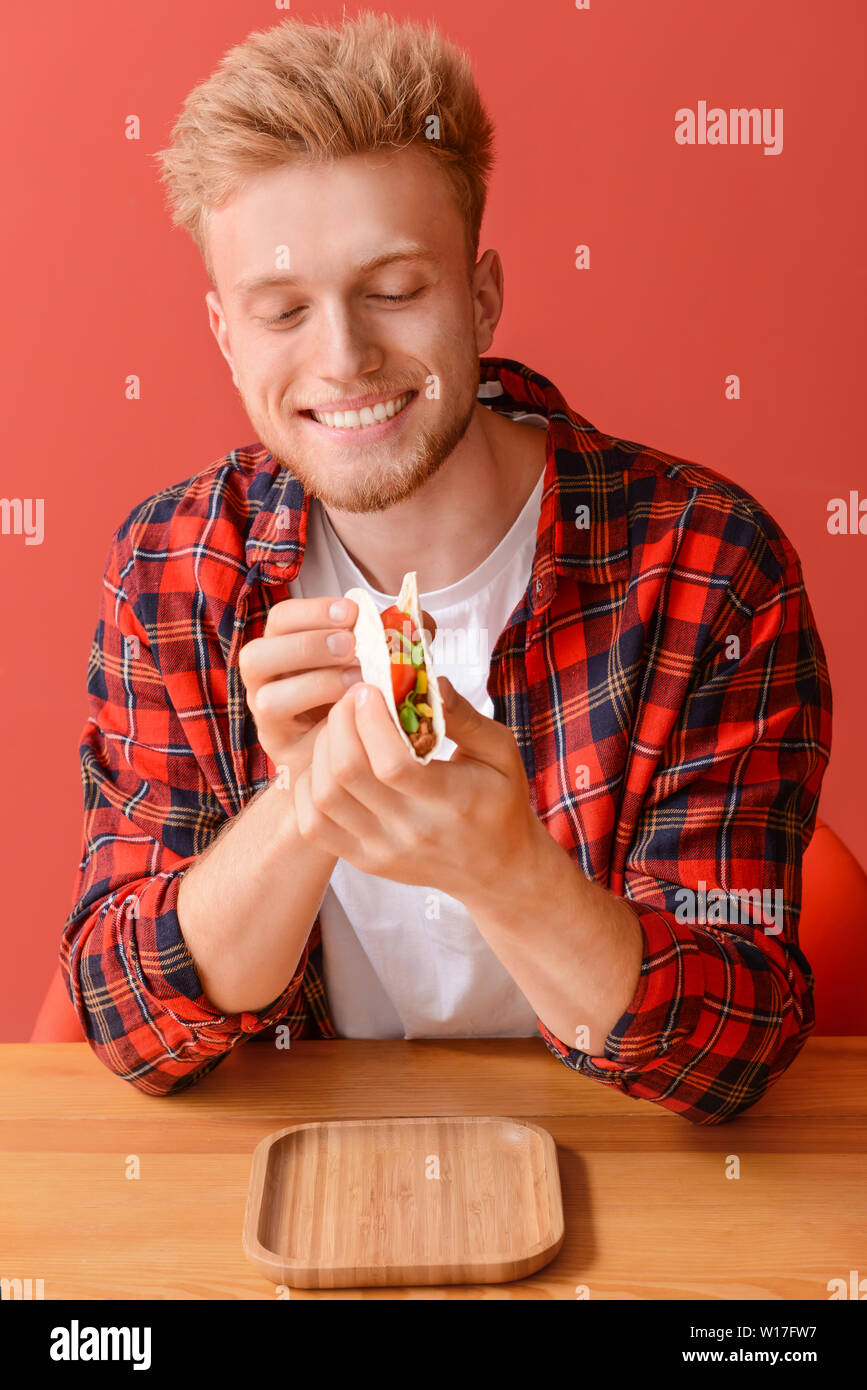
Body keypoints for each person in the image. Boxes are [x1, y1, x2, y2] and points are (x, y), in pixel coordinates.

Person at [61, 12, 832, 1123]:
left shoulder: (708, 566)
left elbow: (738, 1044)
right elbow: (129, 1024)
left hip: (628, 1175)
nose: (344, 358)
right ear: (227, 336)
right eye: (284, 311)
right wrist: (301, 808)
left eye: (395, 289)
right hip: (304, 1182)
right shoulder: (175, 566)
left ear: (479, 298)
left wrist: (505, 867)